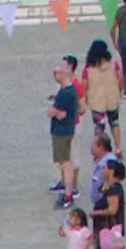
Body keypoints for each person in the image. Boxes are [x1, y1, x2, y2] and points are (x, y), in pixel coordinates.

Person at [47, 59, 81, 206]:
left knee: (65, 163)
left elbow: (56, 113)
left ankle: (68, 193)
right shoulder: (69, 91)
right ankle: (68, 191)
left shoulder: (66, 93)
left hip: (62, 132)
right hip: (66, 130)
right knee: (65, 163)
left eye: (56, 72)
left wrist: (54, 111)